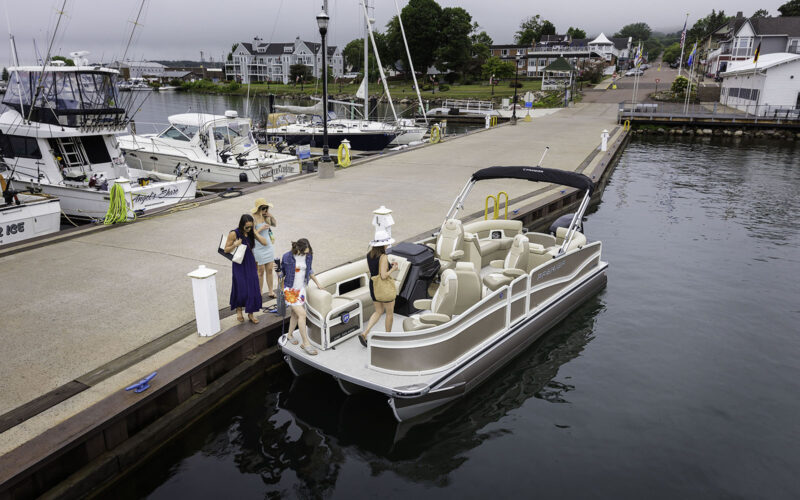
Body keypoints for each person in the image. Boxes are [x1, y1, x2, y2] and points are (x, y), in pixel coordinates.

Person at [281, 238, 323, 355]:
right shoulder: (287, 257)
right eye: (304, 252)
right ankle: (306, 342)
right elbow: (282, 273)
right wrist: (278, 272)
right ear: (298, 249)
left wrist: (318, 283)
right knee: (302, 314)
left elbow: (309, 270)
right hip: (290, 290)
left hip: (301, 290)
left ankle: (289, 335)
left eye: (307, 252)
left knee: (295, 314)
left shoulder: (308, 256)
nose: (306, 254)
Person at [225, 214, 266, 323]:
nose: (248, 229)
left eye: (250, 227)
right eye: (246, 227)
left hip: (250, 262)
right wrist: (235, 244)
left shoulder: (251, 232)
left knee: (253, 287)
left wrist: (255, 232)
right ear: (241, 224)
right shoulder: (234, 233)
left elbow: (264, 242)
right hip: (239, 263)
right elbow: (226, 250)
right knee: (241, 287)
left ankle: (251, 313)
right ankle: (239, 310)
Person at [359, 242, 398, 346]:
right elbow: (384, 276)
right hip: (384, 288)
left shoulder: (369, 254)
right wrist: (393, 269)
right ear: (382, 245)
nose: (388, 245)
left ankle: (365, 333)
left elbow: (373, 271)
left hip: (373, 285)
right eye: (386, 243)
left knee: (378, 311)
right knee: (389, 313)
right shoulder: (383, 257)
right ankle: (387, 338)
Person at [251, 198, 277, 298]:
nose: (266, 210)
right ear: (258, 209)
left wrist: (271, 216)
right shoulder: (253, 218)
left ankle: (270, 291)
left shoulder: (266, 216)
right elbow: (252, 234)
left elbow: (274, 224)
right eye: (264, 208)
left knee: (270, 270)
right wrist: (260, 229)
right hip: (258, 247)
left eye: (267, 208)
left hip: (268, 246)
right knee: (260, 271)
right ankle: (260, 291)